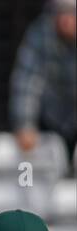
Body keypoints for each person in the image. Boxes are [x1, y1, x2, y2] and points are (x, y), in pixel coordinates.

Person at [11, 0, 77, 157]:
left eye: (71, 12)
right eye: (59, 12)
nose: (65, 19)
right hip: (50, 119)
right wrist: (25, 124)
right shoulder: (39, 34)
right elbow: (26, 82)